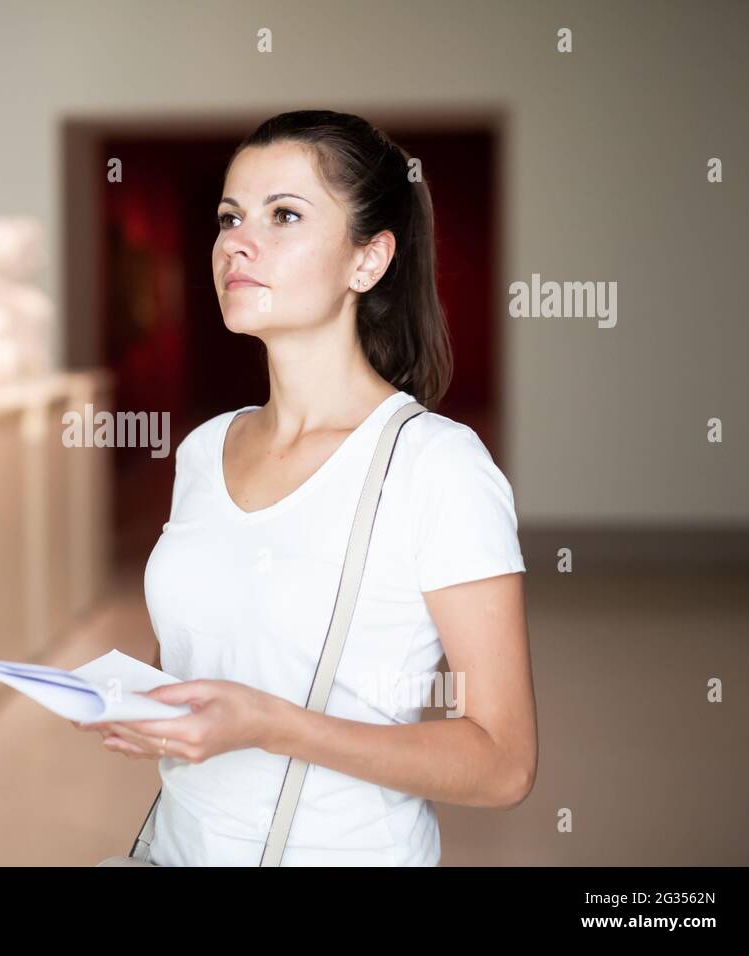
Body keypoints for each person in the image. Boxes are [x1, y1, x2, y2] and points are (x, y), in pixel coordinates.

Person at [73, 110, 537, 866]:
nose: (235, 243)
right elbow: (198, 666)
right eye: (230, 217)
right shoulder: (202, 451)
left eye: (285, 215)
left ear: (368, 261)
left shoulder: (436, 467)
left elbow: (504, 763)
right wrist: (139, 705)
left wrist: (270, 725)